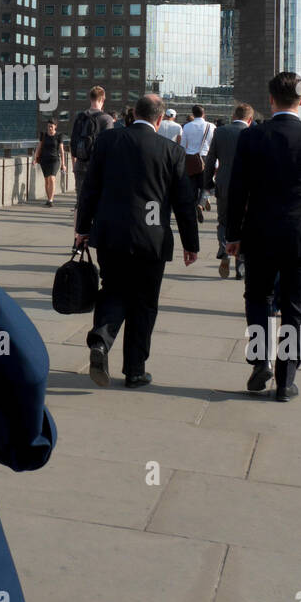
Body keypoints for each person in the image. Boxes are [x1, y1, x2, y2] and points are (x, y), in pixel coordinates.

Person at [225, 71, 301, 402]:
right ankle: (286, 381)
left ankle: (260, 361)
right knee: (295, 308)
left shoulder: (252, 137)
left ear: (271, 100)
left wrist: (233, 234)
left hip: (259, 232)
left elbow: (237, 191)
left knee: (257, 298)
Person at [74, 93, 199, 389]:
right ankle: (135, 370)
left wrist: (82, 228)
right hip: (152, 237)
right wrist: (190, 244)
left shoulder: (107, 142)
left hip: (110, 234)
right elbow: (184, 203)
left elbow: (90, 189)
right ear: (159, 119)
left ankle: (101, 341)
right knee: (144, 303)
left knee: (113, 290)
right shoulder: (172, 151)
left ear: (133, 114)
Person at [204, 103, 253, 280]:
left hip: (224, 183)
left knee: (223, 220)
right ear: (250, 119)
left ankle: (224, 250)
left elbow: (210, 160)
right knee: (244, 224)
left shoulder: (221, 132)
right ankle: (240, 263)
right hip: (247, 186)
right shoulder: (253, 133)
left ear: (233, 116)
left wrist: (207, 182)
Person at [69, 86, 115, 213]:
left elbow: (73, 142)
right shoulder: (107, 119)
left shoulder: (80, 117)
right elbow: (108, 147)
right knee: (100, 204)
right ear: (103, 99)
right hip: (99, 169)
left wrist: (75, 165)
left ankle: (79, 232)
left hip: (80, 165)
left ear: (90, 98)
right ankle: (96, 232)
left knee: (80, 204)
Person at [179, 103, 214, 222]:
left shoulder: (187, 126)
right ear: (203, 113)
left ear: (193, 114)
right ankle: (201, 203)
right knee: (206, 186)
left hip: (190, 159)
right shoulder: (211, 126)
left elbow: (182, 146)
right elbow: (214, 145)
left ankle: (193, 210)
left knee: (192, 187)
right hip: (205, 158)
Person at [33, 116, 66, 207]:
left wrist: (63, 164)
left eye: (51, 126)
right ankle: (48, 199)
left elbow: (62, 151)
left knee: (52, 178)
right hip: (44, 160)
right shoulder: (43, 135)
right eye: (48, 126)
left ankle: (51, 200)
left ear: (55, 126)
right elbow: (39, 147)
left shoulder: (59, 136)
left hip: (55, 160)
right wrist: (35, 158)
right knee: (47, 180)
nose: (49, 128)